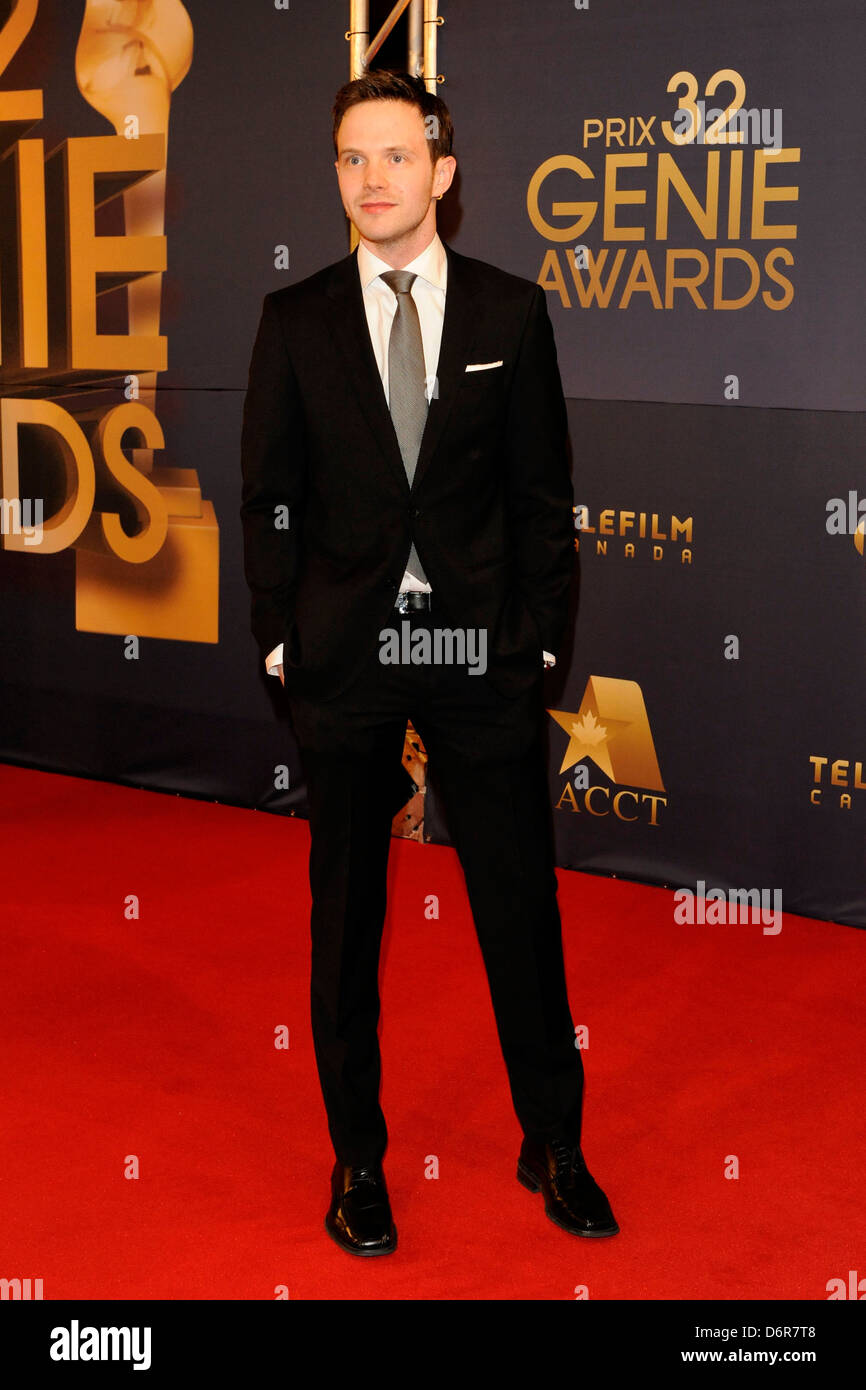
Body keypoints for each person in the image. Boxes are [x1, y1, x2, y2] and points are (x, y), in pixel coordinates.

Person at [240, 69, 618, 1255]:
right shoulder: (294, 320)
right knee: (344, 920)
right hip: (350, 658)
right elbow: (268, 500)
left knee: (519, 908)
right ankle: (357, 1160)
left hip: (476, 655)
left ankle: (551, 1141)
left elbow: (542, 503)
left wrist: (536, 646)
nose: (369, 179)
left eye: (394, 156)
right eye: (351, 158)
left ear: (442, 174)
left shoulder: (510, 312)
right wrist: (283, 640)